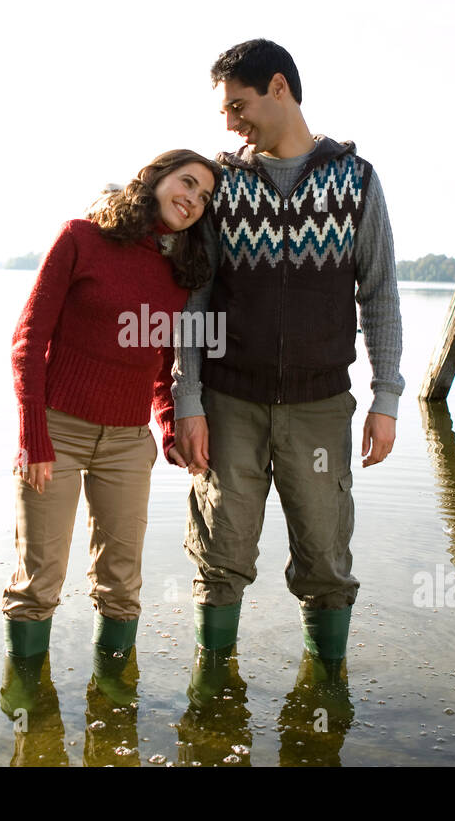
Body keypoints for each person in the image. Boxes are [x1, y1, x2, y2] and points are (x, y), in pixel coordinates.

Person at [170, 39, 404, 667]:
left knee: (326, 562)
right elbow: (195, 300)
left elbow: (379, 294)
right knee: (220, 560)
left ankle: (325, 696)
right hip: (228, 405)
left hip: (321, 407)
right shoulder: (221, 186)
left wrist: (386, 398)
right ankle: (211, 701)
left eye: (237, 104)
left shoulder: (356, 180)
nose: (229, 121)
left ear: (278, 87)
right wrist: (186, 398)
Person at [3, 149, 221, 668]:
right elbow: (28, 341)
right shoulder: (80, 238)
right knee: (39, 583)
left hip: (126, 442)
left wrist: (169, 430)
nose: (192, 199)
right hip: (57, 432)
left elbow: (164, 365)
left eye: (204, 196)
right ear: (154, 179)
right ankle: (30, 713)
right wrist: (34, 436)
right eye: (186, 183)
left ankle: (115, 702)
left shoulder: (180, 272)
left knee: (122, 585)